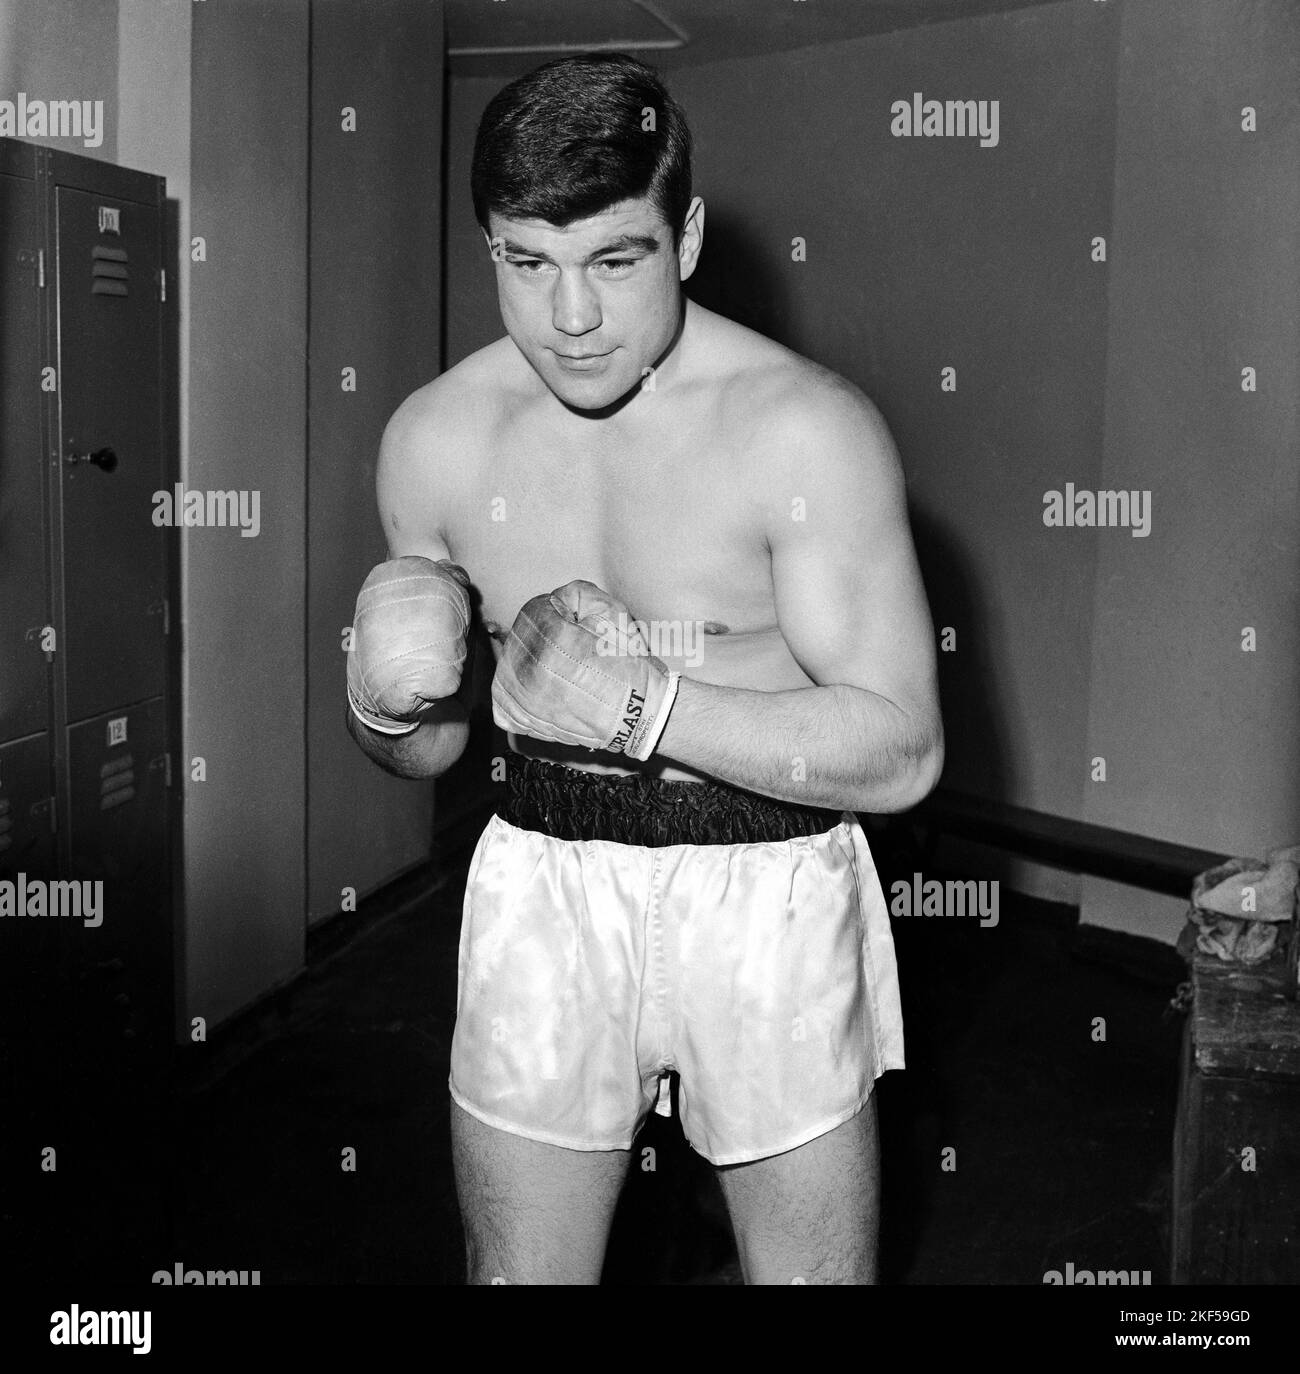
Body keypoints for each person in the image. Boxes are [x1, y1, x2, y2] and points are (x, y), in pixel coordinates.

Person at [345, 51, 943, 1285]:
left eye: (614, 260)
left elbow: (901, 752)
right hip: (545, 876)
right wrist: (384, 703)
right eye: (526, 262)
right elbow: (433, 750)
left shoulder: (803, 430)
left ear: (687, 238)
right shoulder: (435, 440)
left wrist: (640, 705)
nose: (570, 319)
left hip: (766, 880)